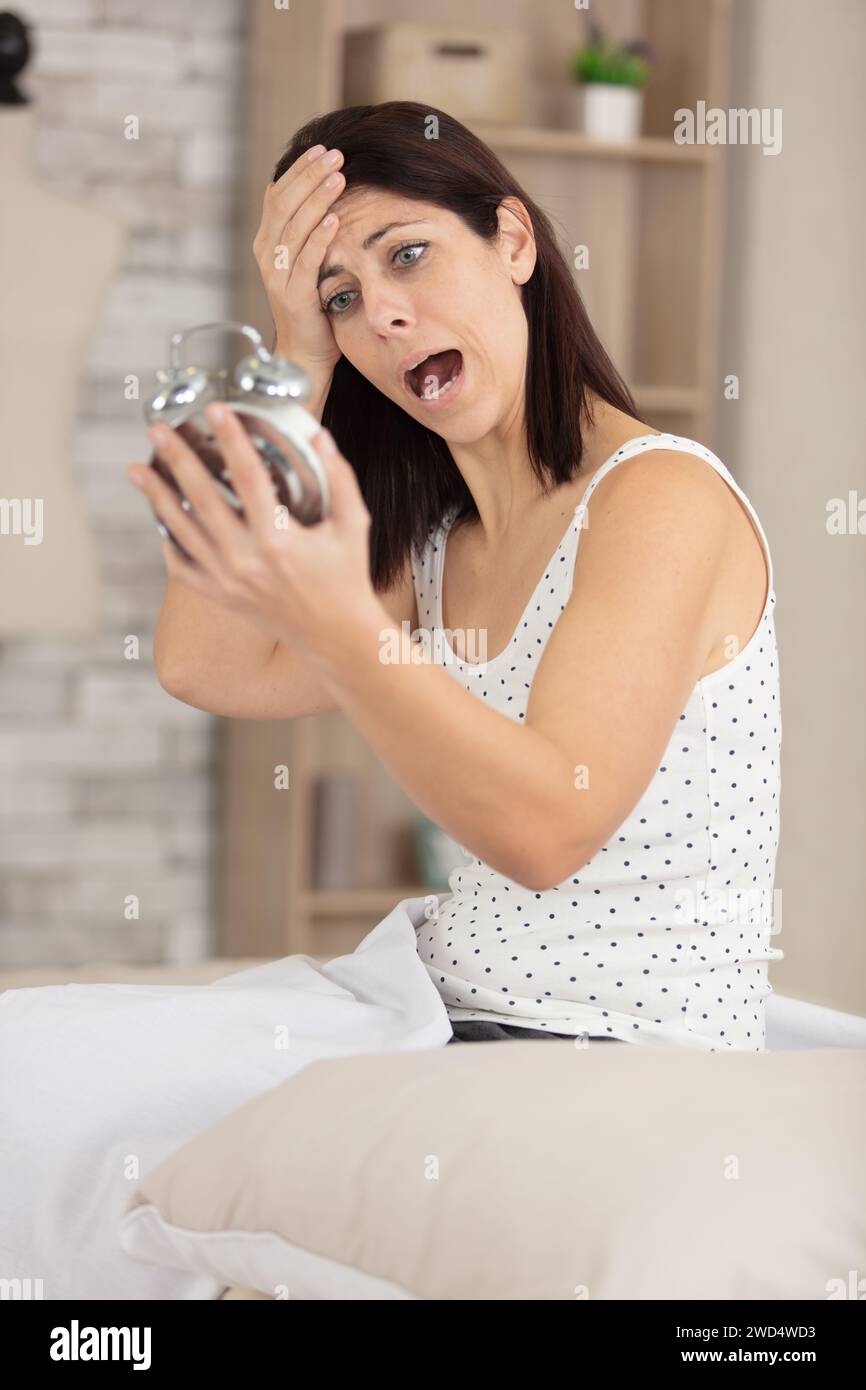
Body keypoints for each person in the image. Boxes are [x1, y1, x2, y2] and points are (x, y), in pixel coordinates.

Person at [128, 101, 782, 1052]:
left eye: (407, 255)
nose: (384, 314)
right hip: (452, 1015)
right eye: (339, 296)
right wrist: (293, 354)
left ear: (512, 241)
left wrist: (344, 622)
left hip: (610, 1050)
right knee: (58, 1058)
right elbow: (205, 665)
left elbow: (549, 831)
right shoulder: (441, 539)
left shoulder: (660, 497)